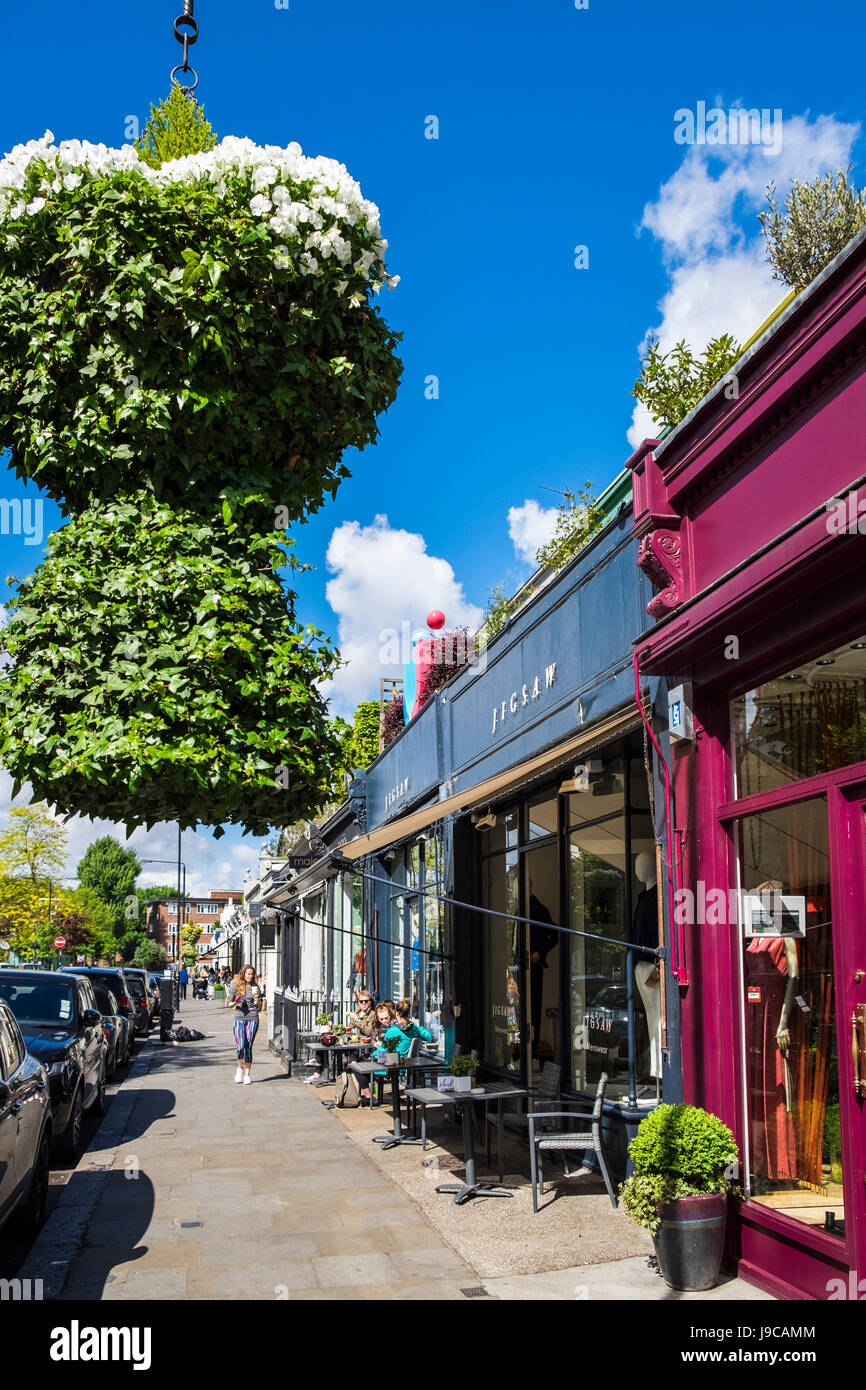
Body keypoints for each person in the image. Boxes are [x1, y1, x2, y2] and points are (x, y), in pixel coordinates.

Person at [231, 964, 262, 1084]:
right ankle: (239, 1068)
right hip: (239, 1018)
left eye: (252, 974)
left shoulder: (255, 987)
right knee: (240, 1046)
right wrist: (235, 1002)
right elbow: (228, 1004)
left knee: (248, 1046)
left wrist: (257, 999)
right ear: (243, 974)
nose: (250, 976)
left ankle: (247, 1075)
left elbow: (259, 1007)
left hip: (253, 1018)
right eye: (248, 973)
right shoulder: (235, 983)